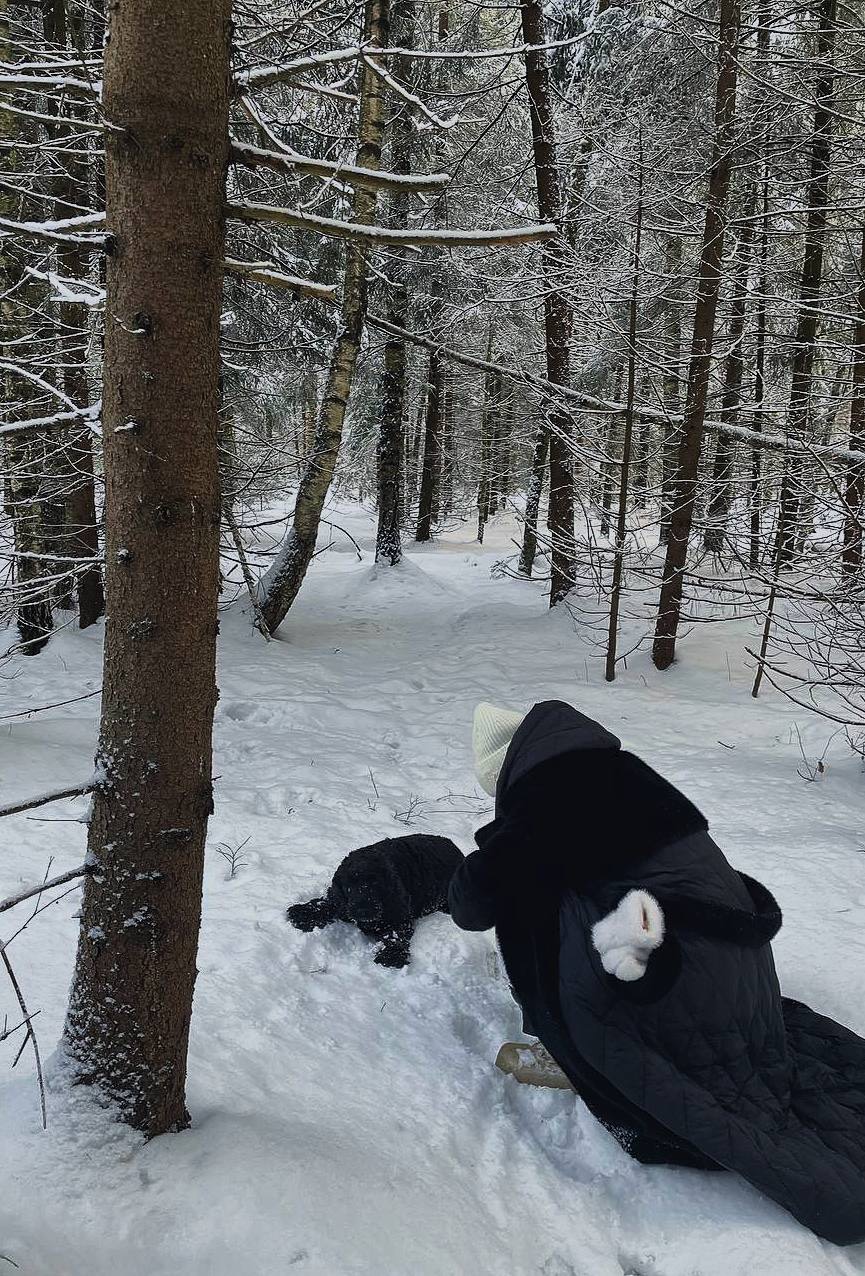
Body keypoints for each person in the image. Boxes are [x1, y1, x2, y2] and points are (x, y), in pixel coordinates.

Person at [448, 699, 865, 1246]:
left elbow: (471, 906)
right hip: (739, 977)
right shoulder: (624, 775)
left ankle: (588, 1062)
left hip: (678, 987)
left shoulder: (544, 800)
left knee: (543, 920)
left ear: (505, 774)